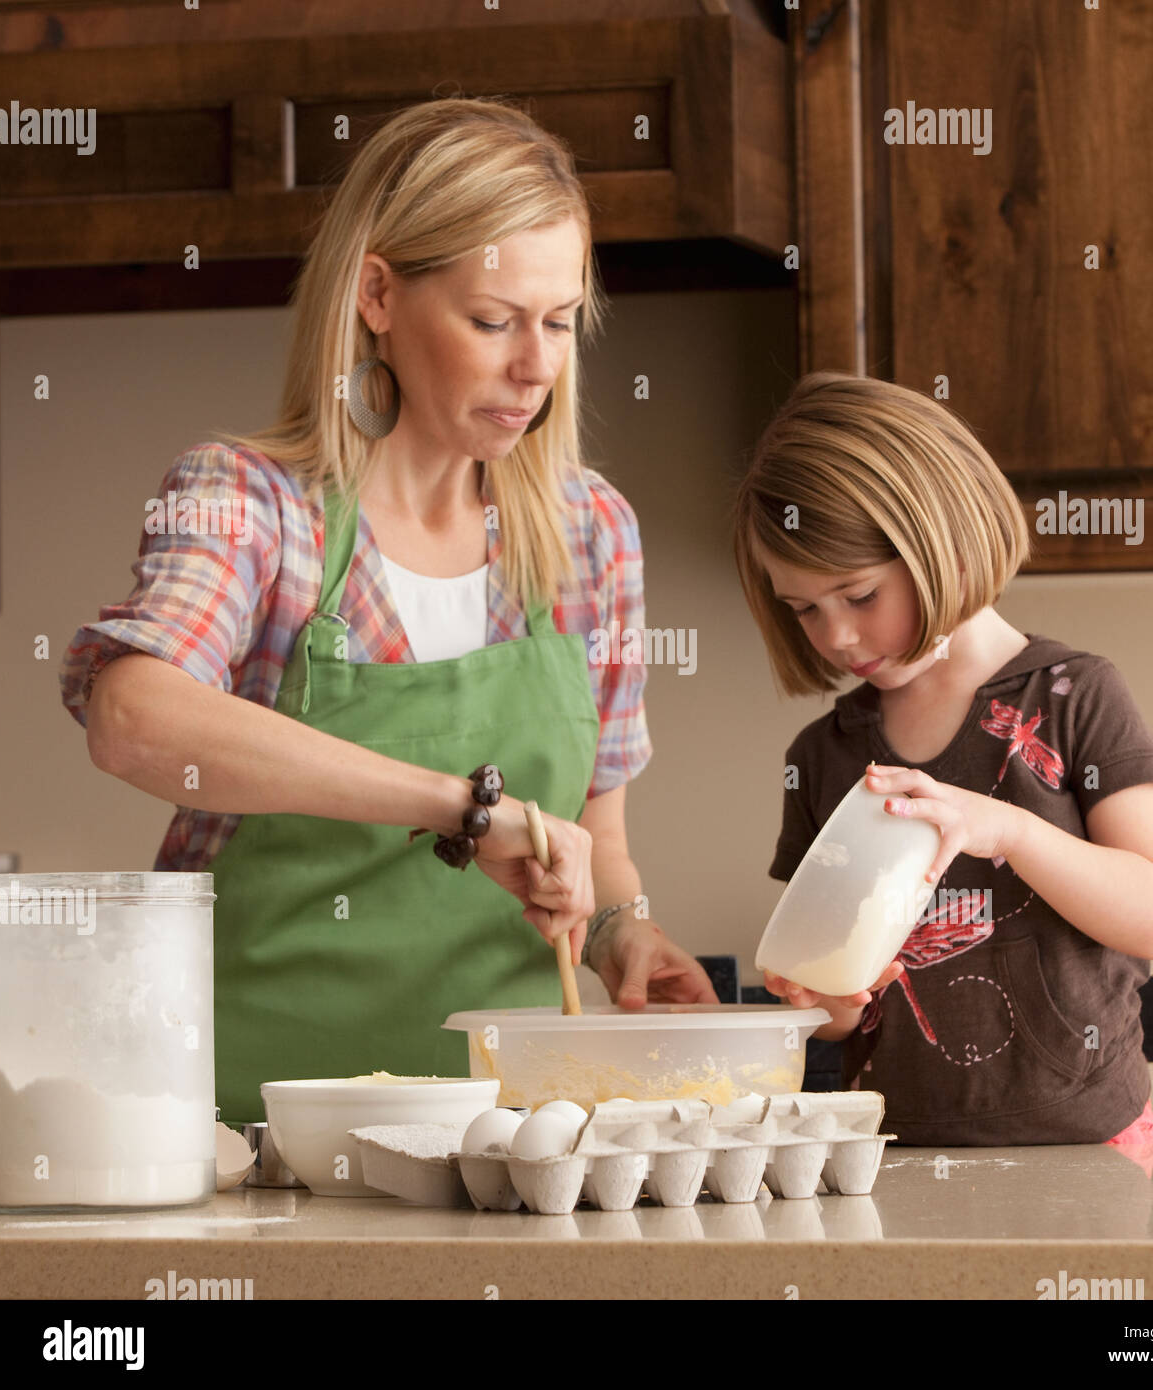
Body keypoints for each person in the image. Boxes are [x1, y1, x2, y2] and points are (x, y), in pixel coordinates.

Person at [60, 97, 716, 1125]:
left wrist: (621, 928)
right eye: (493, 321)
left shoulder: (589, 531)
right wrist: (463, 809)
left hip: (505, 1139)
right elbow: (133, 719)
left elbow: (596, 835)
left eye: (558, 322)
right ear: (377, 293)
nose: (536, 367)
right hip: (249, 1138)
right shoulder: (251, 504)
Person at [733, 372, 1153, 1150]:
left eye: (859, 595)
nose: (836, 636)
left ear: (941, 541)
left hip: (1090, 1143)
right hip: (893, 1153)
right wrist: (820, 999)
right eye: (803, 609)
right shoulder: (823, 755)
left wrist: (1007, 828)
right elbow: (836, 1014)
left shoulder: (1075, 696)